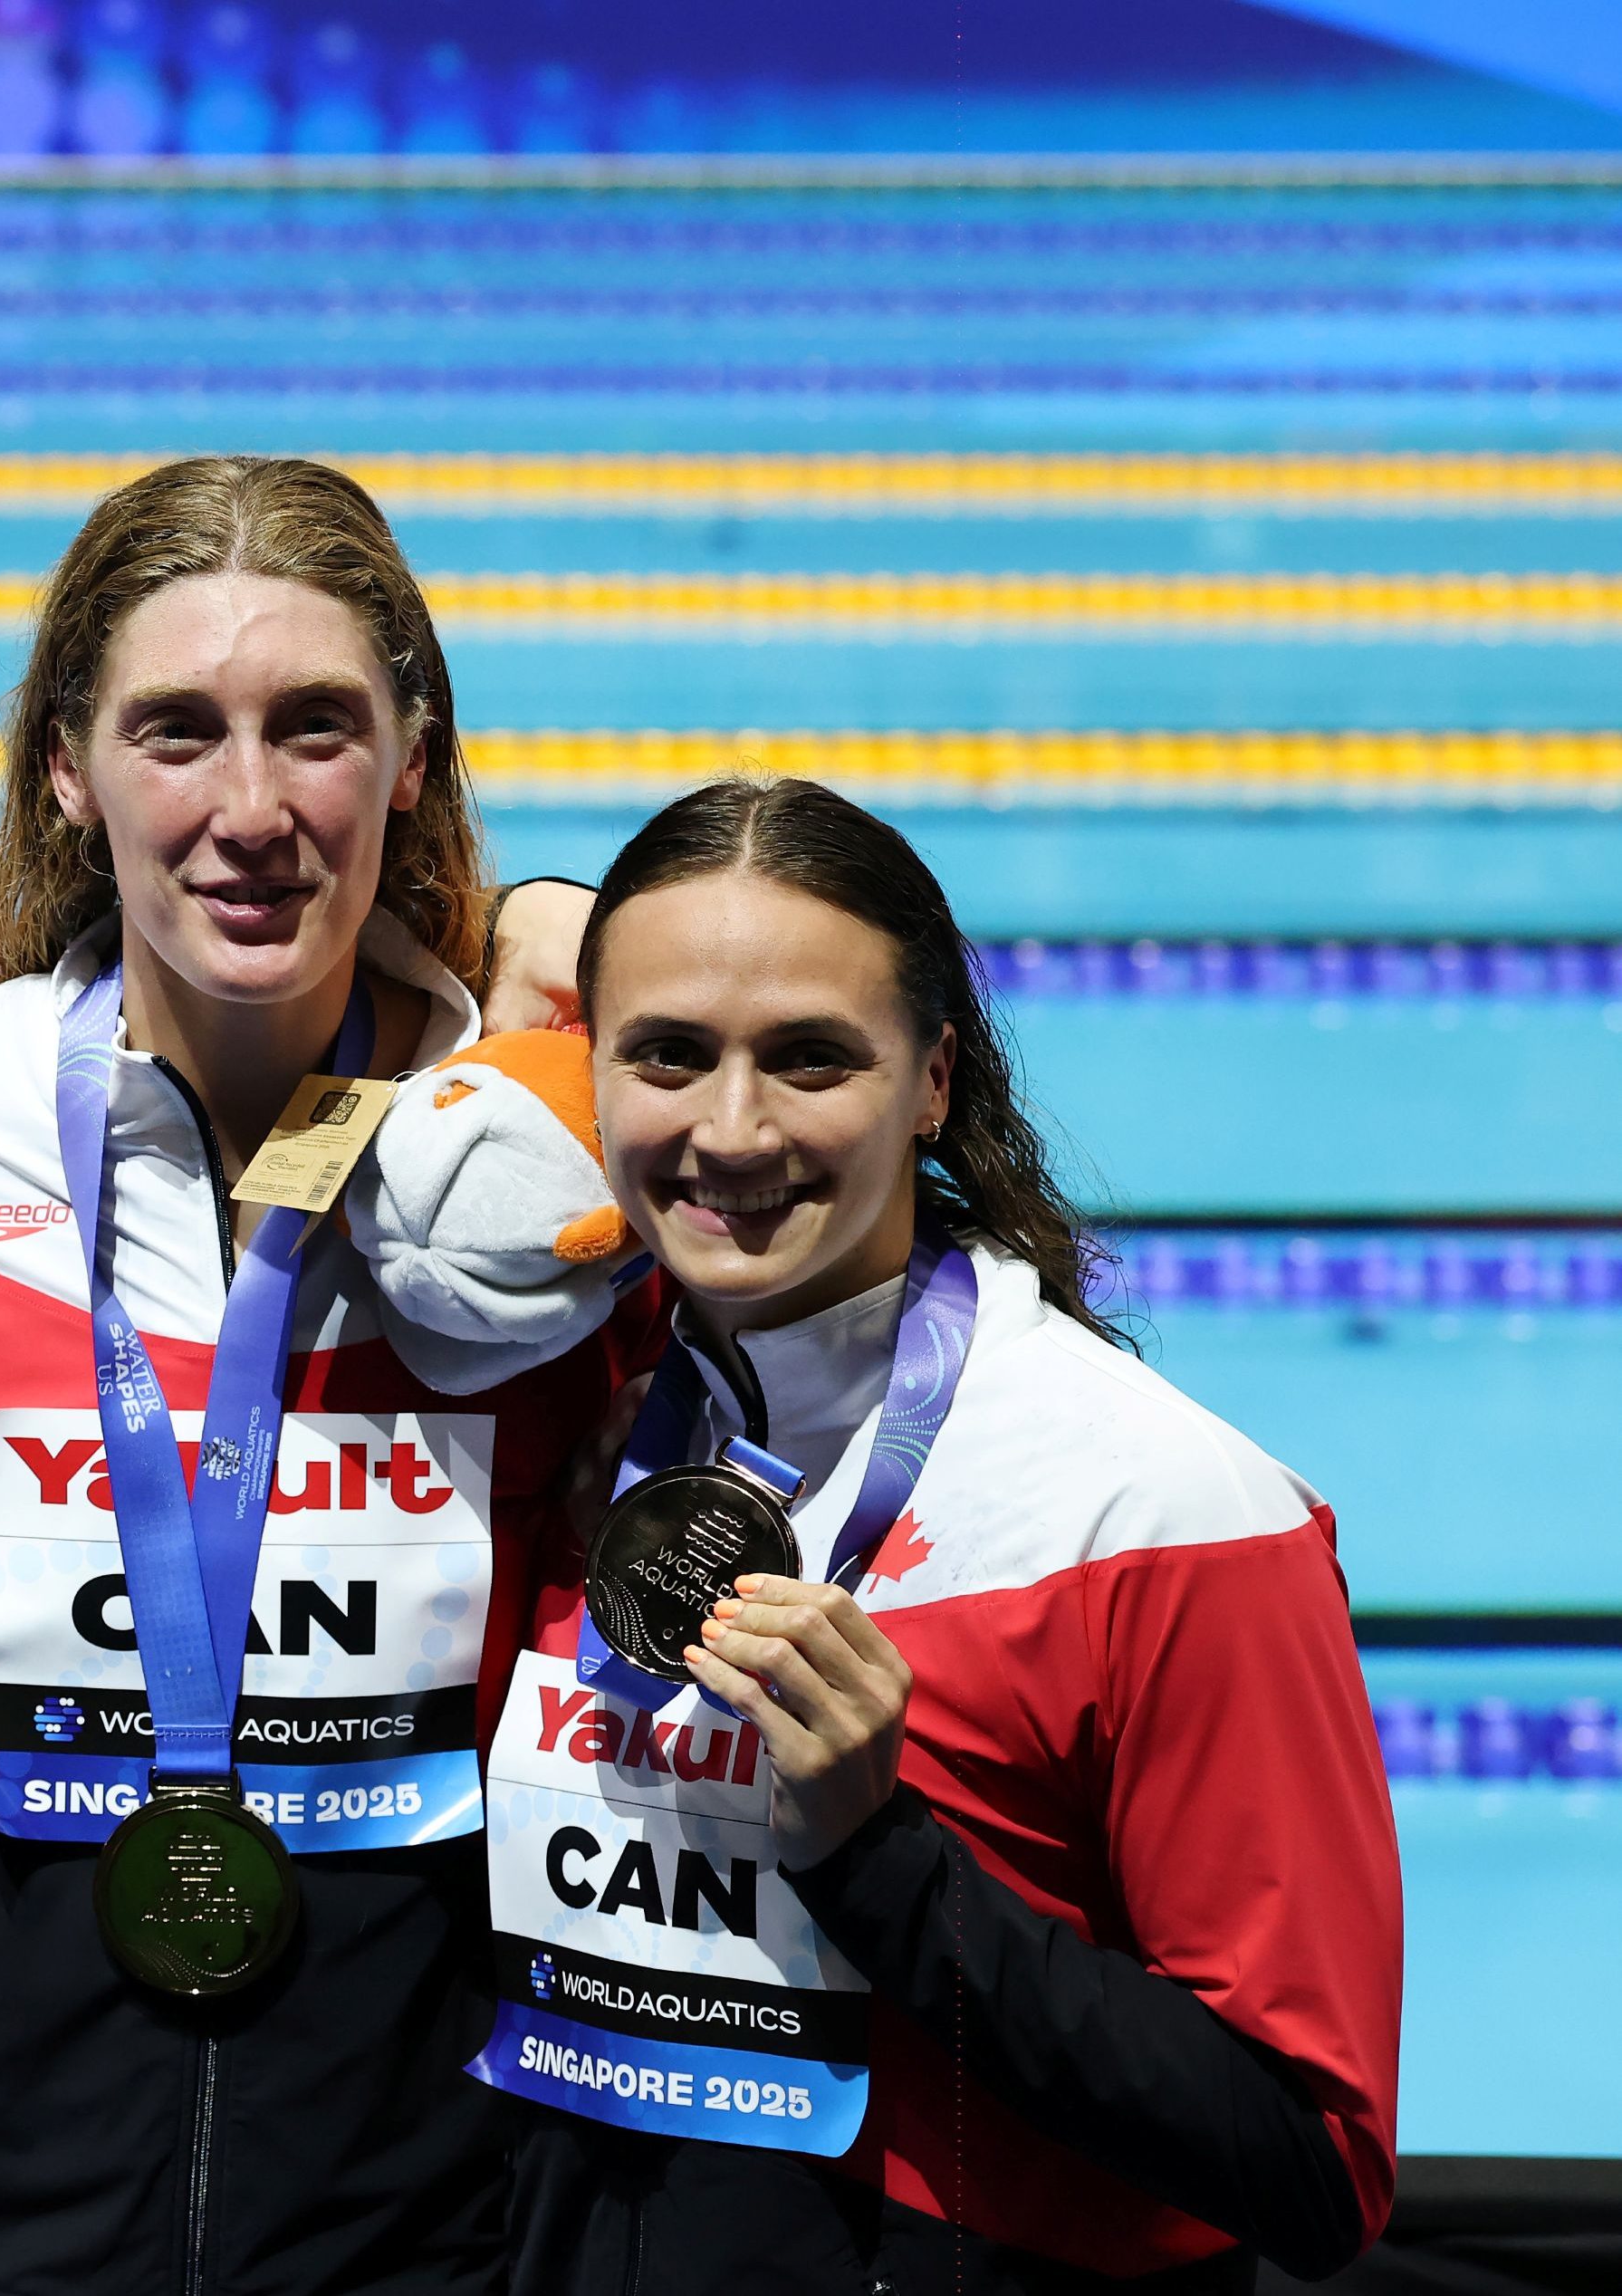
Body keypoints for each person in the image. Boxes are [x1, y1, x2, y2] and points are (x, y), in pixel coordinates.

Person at [0, 455, 647, 2294]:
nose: (249, 809)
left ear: (410, 754)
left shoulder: (572, 1174)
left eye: (316, 728)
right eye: (175, 729)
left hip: (433, 2184)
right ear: (69, 762)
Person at [479, 777, 1397, 2289]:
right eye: (669, 1054)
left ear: (933, 1082)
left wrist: (876, 1852)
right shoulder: (585, 1430)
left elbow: (1310, 2162)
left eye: (811, 1059)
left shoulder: (1160, 1515)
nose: (733, 1127)